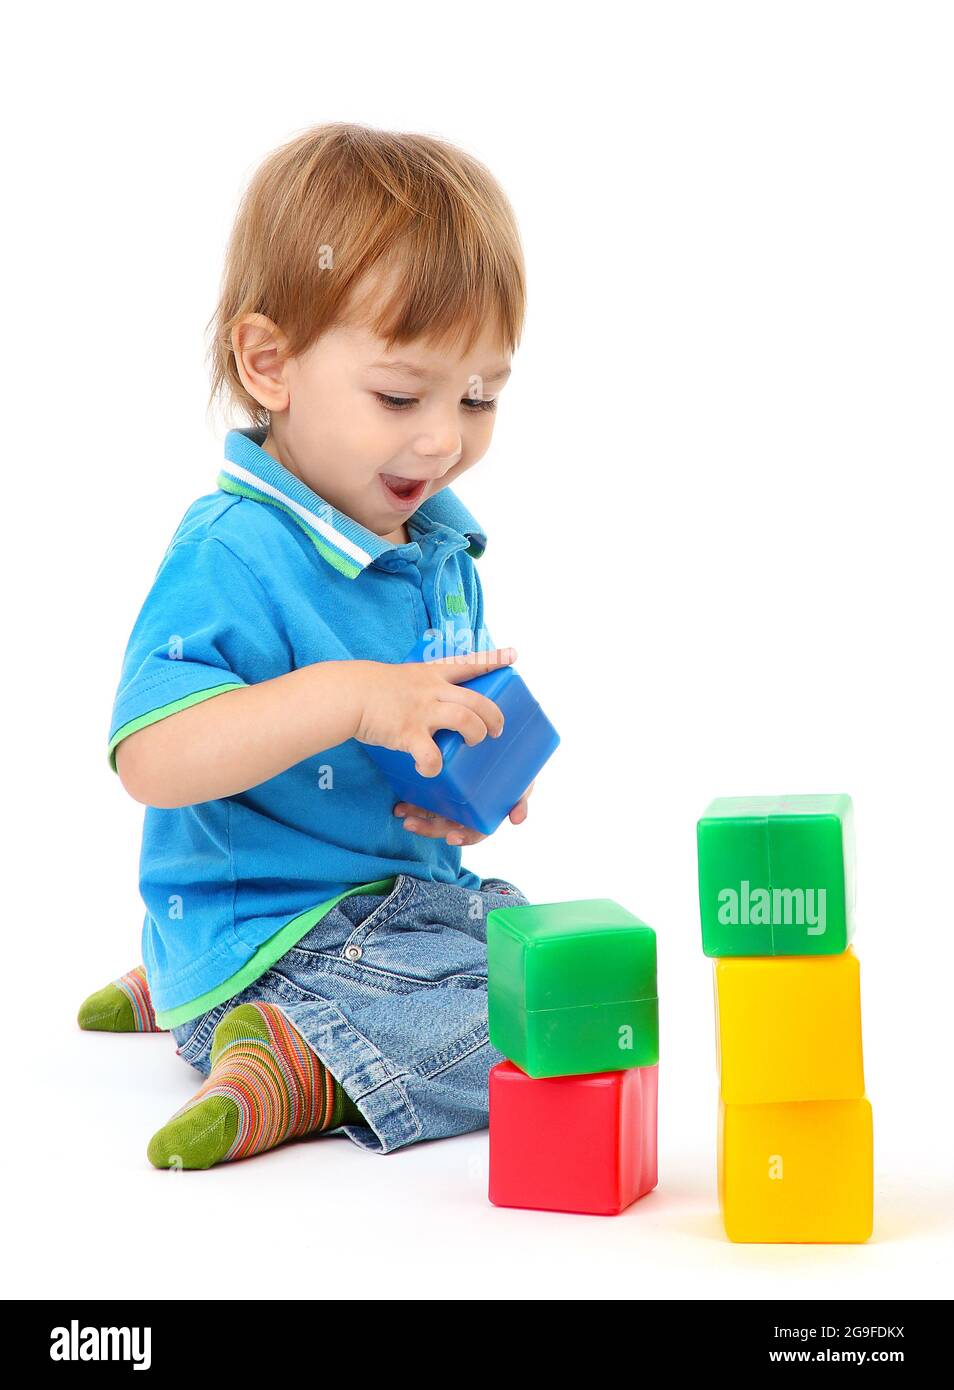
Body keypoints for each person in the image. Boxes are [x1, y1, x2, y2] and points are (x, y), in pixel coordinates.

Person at [77, 122, 538, 1169]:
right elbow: (151, 758)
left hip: (395, 905)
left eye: (479, 396)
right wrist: (352, 698)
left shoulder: (436, 540)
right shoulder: (232, 551)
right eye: (399, 395)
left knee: (554, 951)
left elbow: (423, 719)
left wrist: (470, 771)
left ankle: (190, 966)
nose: (442, 438)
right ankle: (294, 1051)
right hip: (293, 930)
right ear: (270, 363)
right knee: (537, 1030)